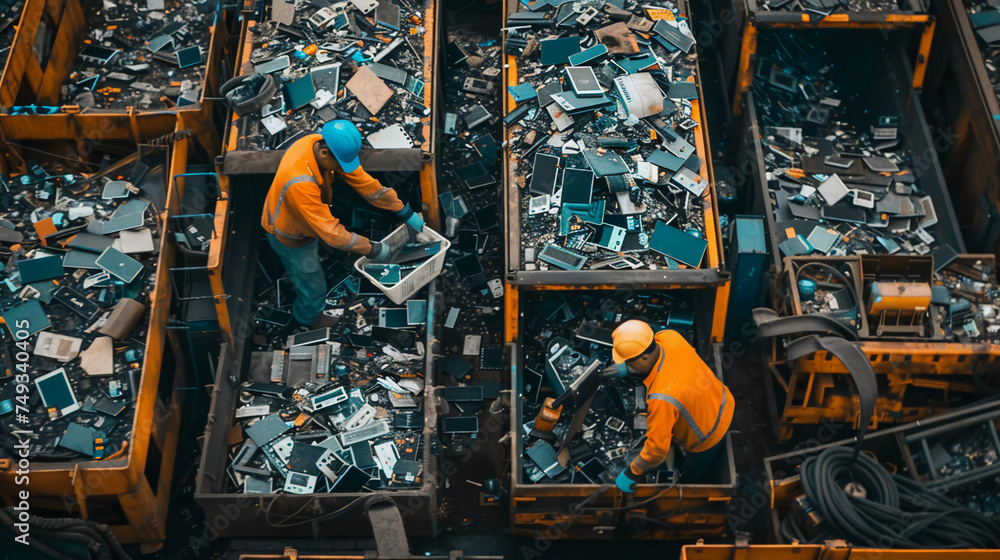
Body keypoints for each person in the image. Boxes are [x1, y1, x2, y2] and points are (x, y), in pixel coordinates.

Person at [261, 120, 425, 328]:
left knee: (322, 253)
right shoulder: (300, 181)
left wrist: (404, 210)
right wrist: (372, 249)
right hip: (289, 234)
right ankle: (308, 318)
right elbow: (332, 234)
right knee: (312, 281)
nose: (341, 168)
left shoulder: (317, 142)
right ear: (325, 152)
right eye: (339, 164)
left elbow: (367, 186)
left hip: (307, 216)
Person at [605, 320, 734, 492]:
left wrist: (632, 472)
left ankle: (688, 488)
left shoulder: (662, 397)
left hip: (707, 435)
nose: (626, 366)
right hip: (722, 400)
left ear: (644, 357)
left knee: (693, 473)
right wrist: (627, 368)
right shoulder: (669, 337)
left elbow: (656, 452)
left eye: (628, 362)